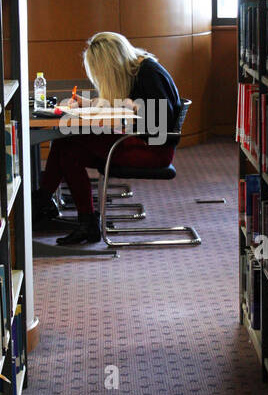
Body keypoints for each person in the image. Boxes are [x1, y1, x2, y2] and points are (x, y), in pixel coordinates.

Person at [33, 31, 181, 245]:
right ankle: (51, 203)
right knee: (66, 142)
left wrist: (126, 108)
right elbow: (129, 108)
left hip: (154, 150)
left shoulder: (149, 74)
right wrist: (94, 105)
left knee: (69, 145)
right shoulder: (139, 69)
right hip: (139, 142)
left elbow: (159, 125)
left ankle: (71, 214)